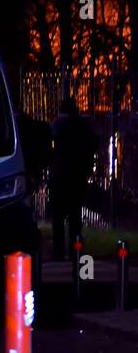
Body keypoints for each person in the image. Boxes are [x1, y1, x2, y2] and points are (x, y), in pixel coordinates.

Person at [49, 98, 98, 260]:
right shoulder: (84, 127)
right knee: (75, 218)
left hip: (59, 177)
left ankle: (58, 252)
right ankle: (75, 251)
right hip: (77, 177)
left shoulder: (57, 125)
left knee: (58, 218)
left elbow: (50, 148)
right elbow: (92, 148)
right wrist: (88, 169)